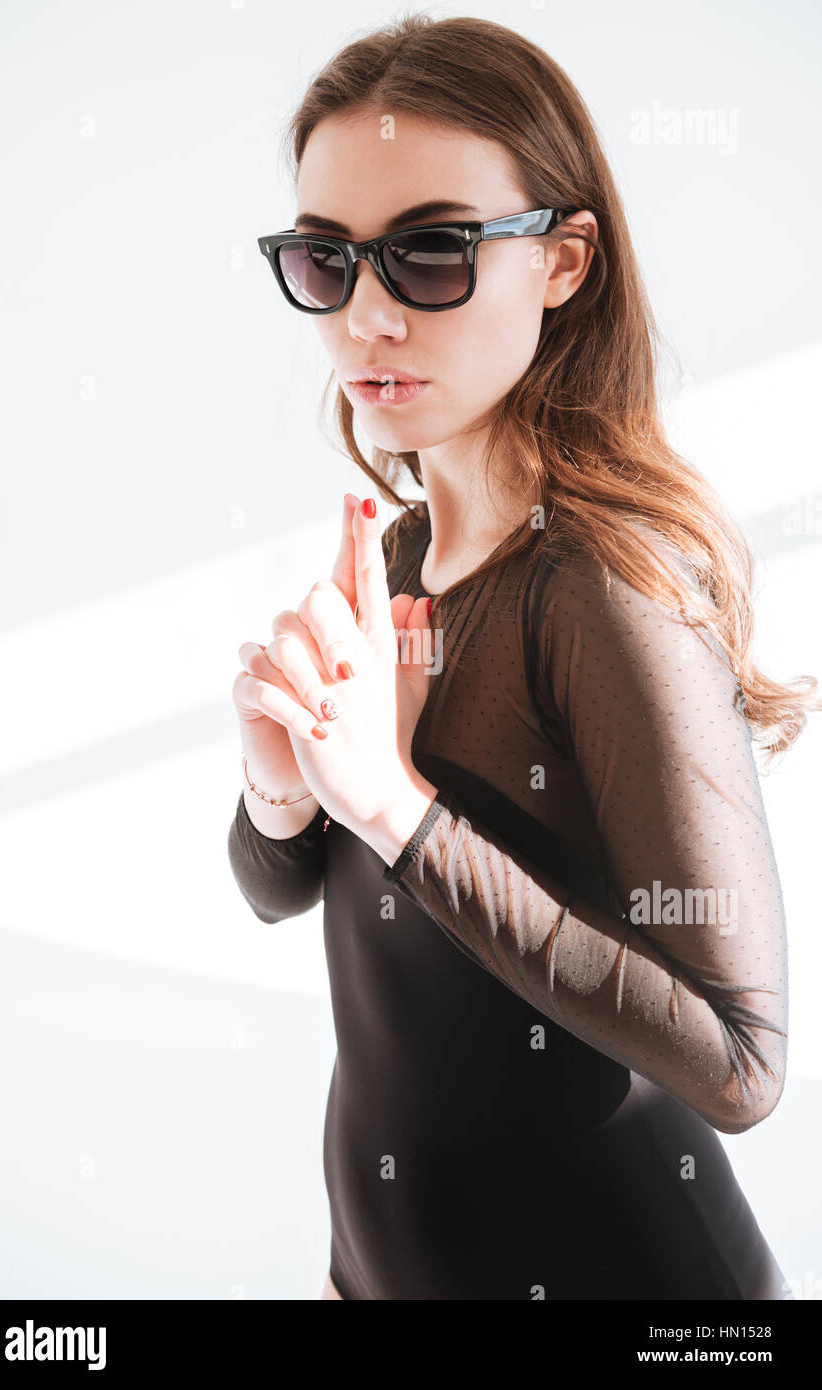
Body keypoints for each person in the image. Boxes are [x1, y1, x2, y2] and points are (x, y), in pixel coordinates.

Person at [228, 14, 819, 1299]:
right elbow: (282, 894)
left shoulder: (607, 589)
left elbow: (741, 1064)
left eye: (431, 253)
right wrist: (287, 783)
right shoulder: (394, 564)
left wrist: (390, 803)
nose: (368, 318)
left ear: (563, 260)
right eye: (327, 261)